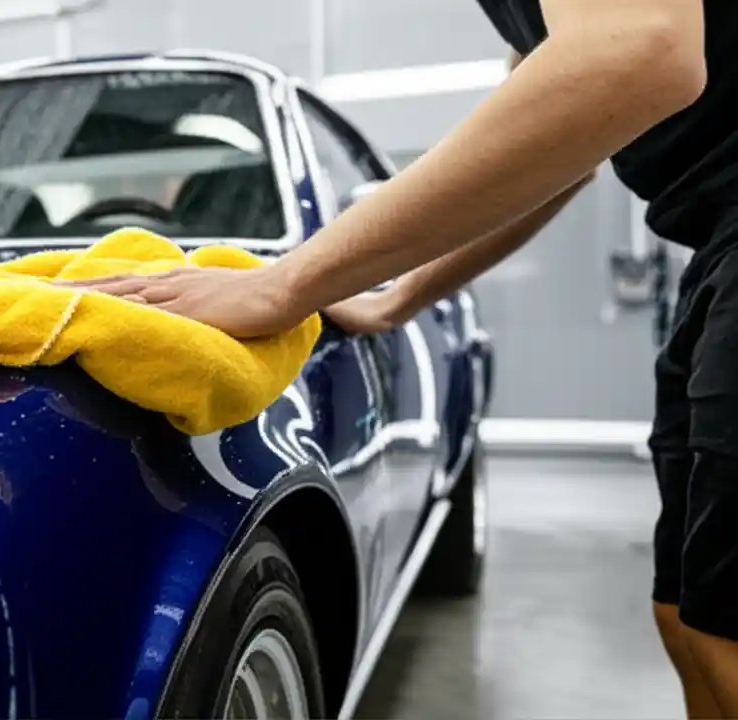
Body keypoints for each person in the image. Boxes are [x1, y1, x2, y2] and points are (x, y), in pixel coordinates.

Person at [64, 0, 738, 716]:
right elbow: (563, 144)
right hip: (712, 249)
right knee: (690, 622)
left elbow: (642, 49)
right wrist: (396, 298)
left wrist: (285, 281)